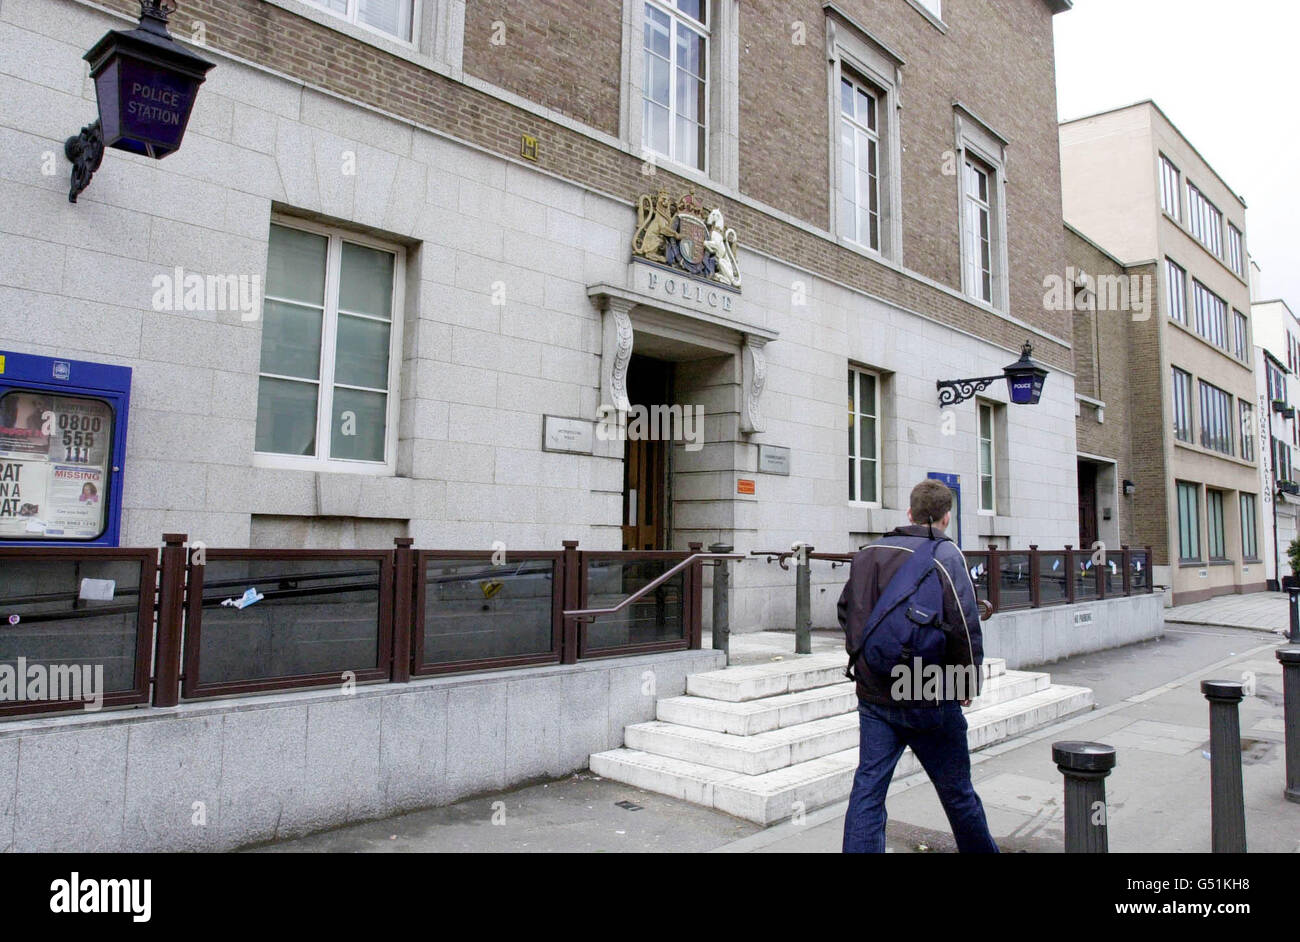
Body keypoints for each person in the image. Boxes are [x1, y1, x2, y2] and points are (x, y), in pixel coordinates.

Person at [837, 478, 997, 854]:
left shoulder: (869, 552)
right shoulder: (947, 555)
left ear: (909, 513)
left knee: (868, 791)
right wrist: (966, 683)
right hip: (928, 689)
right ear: (945, 517)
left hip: (875, 688)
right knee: (957, 792)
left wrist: (869, 660)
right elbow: (964, 626)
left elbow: (846, 611)